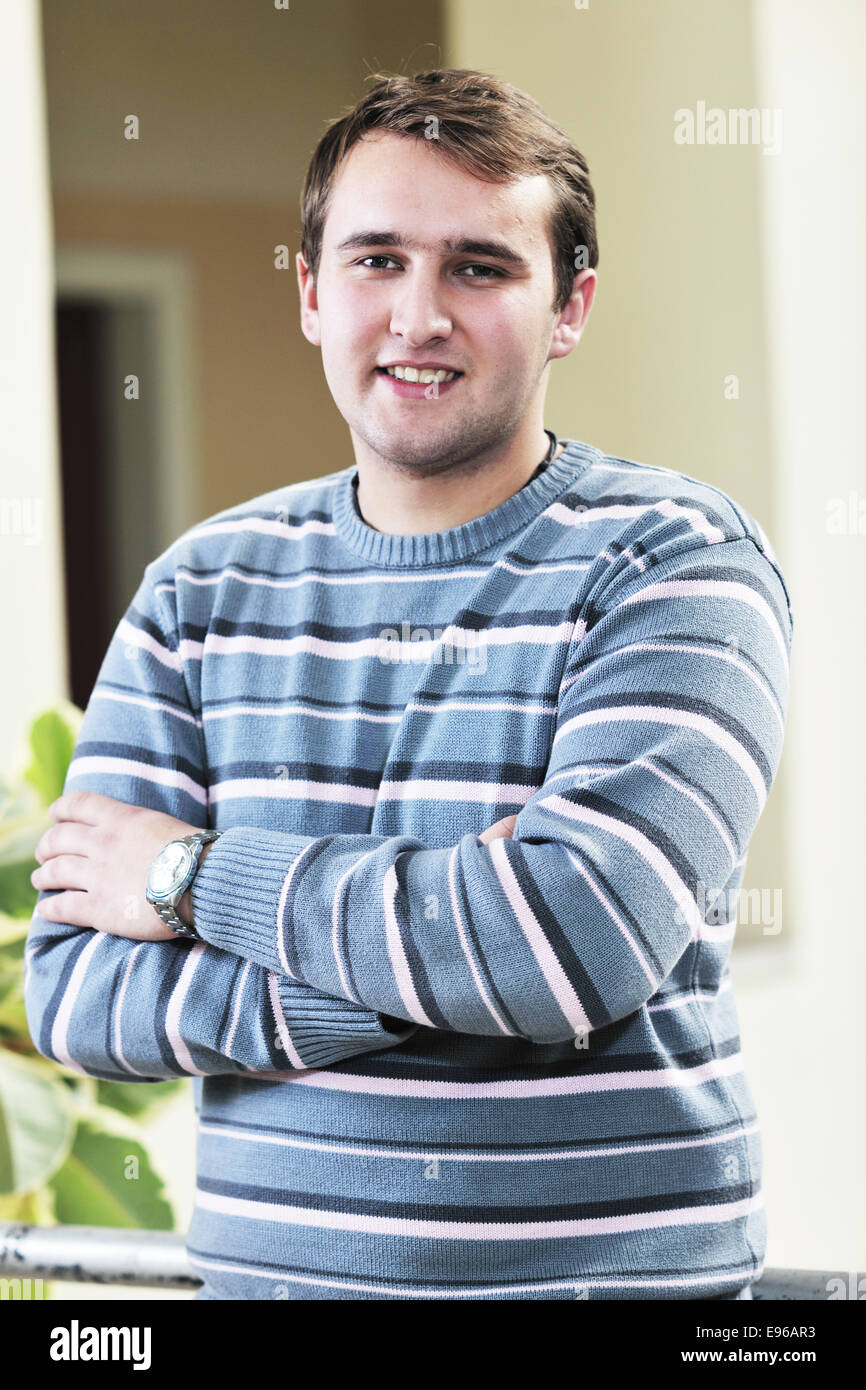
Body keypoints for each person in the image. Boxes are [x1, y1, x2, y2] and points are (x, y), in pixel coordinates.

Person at [25, 68, 792, 1301]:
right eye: (376, 259)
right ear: (311, 294)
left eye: (480, 267)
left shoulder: (673, 559)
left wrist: (186, 877)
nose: (418, 314)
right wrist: (450, 945)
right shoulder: (200, 589)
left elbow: (569, 946)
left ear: (569, 306)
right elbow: (77, 994)